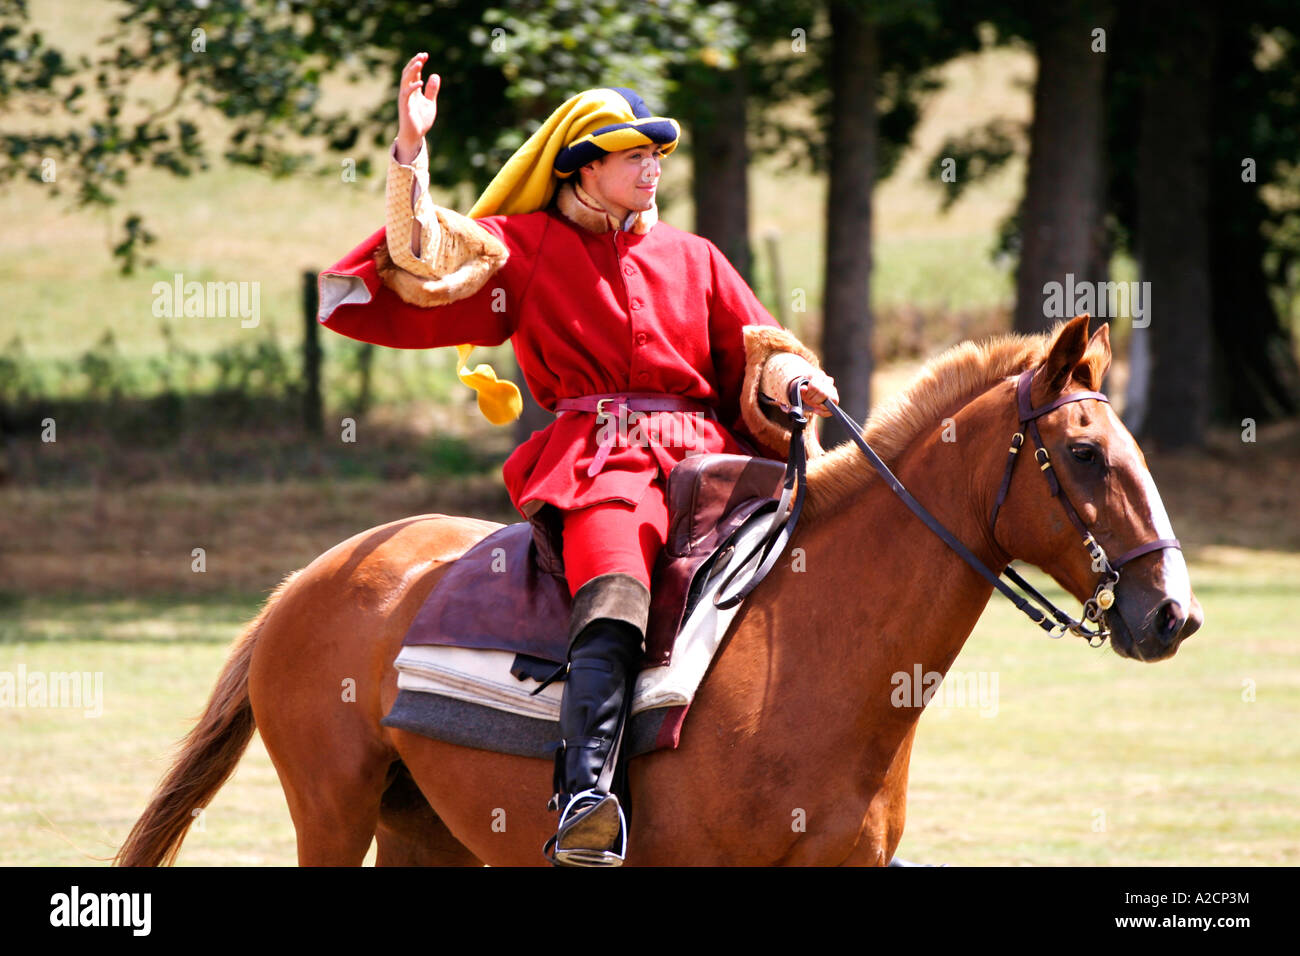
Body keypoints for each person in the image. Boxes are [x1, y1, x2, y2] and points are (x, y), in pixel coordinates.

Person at [316, 52, 838, 866]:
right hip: (603, 468)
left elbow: (761, 346)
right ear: (583, 168)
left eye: (658, 157)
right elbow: (424, 252)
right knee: (619, 592)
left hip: (714, 462)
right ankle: (586, 796)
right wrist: (410, 153)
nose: (652, 170)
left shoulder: (695, 255)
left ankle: (839, 808)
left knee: (813, 573)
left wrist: (796, 377)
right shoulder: (518, 247)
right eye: (635, 155)